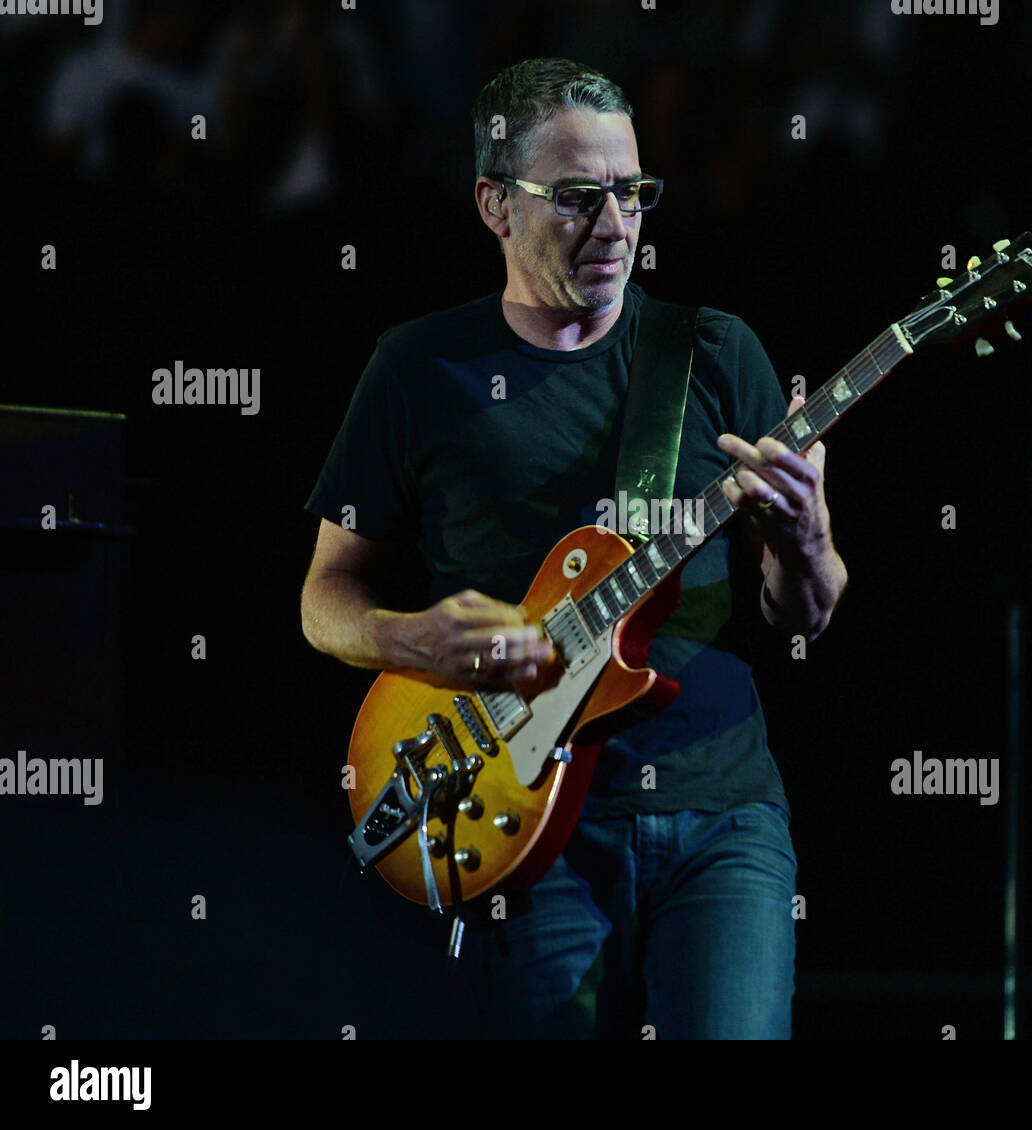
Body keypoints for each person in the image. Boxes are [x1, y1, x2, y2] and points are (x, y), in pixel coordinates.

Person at [299, 57, 848, 1039]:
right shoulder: (418, 366)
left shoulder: (715, 352)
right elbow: (323, 595)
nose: (615, 224)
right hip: (521, 815)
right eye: (578, 196)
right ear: (494, 205)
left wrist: (806, 538)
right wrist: (406, 639)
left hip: (721, 811)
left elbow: (803, 611)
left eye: (632, 192)